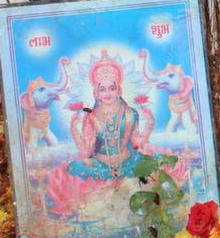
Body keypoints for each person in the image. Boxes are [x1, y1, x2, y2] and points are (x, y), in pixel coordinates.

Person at [65, 50, 155, 180]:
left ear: (118, 90)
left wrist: (149, 124)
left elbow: (137, 143)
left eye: (112, 88)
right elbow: (86, 151)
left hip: (128, 162)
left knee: (152, 162)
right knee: (74, 167)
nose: (108, 93)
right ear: (96, 93)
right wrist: (73, 128)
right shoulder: (91, 116)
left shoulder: (131, 113)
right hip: (101, 165)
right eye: (102, 89)